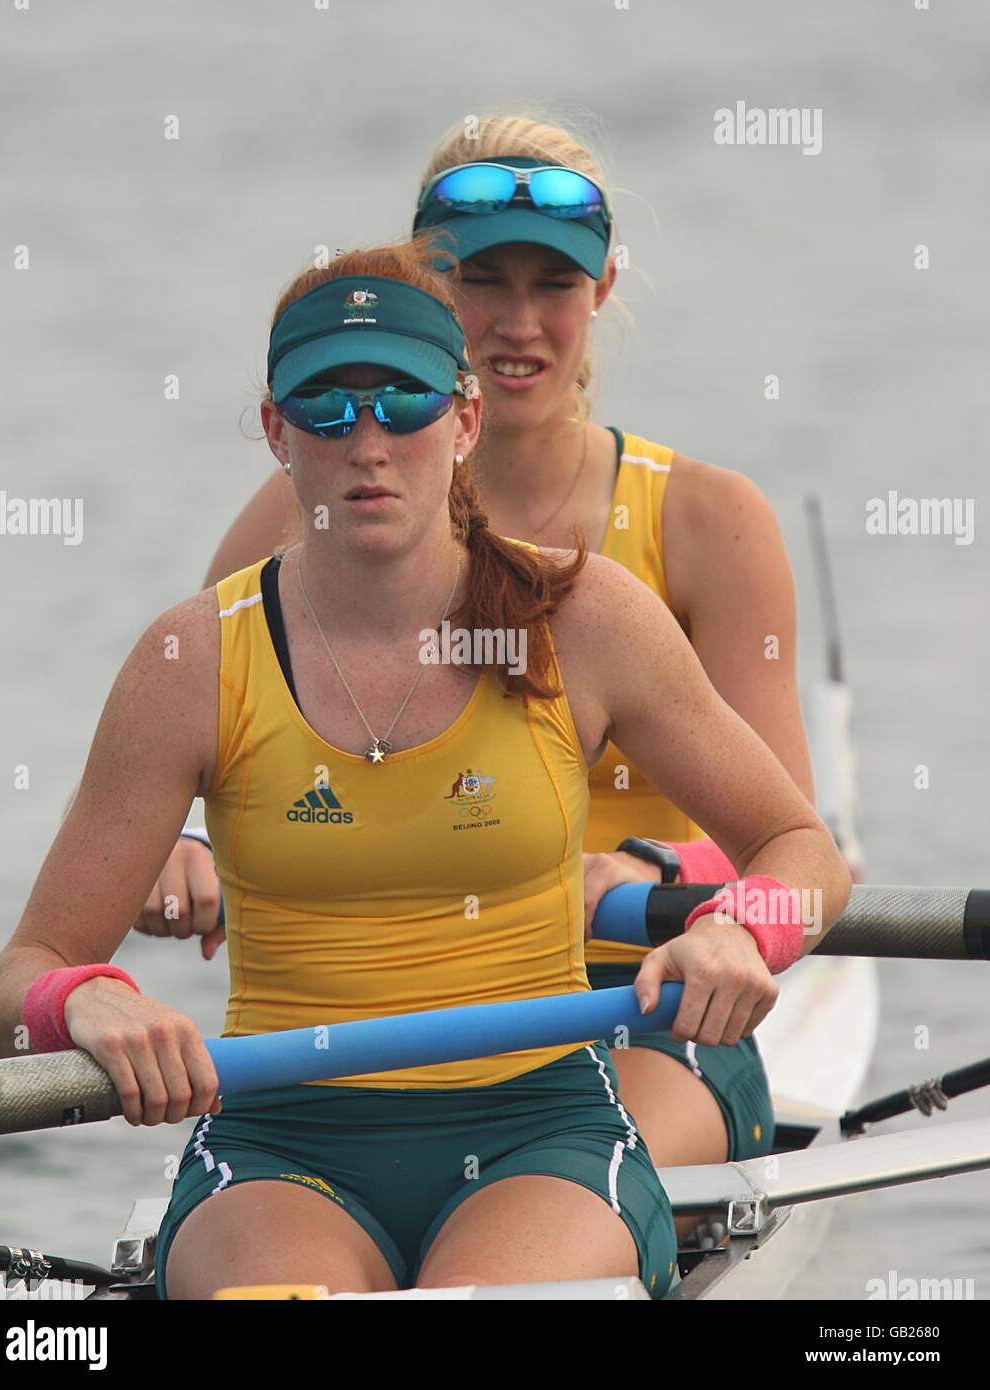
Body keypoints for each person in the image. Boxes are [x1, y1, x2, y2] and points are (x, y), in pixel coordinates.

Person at [0, 245, 850, 1300]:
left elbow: (803, 853)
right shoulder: (190, 662)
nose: (367, 443)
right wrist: (85, 999)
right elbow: (22, 976)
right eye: (324, 407)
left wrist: (730, 926)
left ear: (466, 420)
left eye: (404, 400)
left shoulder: (585, 620)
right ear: (274, 433)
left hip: (537, 1125)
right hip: (280, 1139)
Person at [139, 115, 816, 1188]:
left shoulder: (706, 522)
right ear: (418, 293)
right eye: (476, 281)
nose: (514, 322)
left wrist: (646, 876)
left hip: (643, 995)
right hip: (373, 1026)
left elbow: (793, 851)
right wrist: (180, 846)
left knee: (581, 1174)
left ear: (598, 295)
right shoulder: (301, 502)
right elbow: (185, 741)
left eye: (552, 284)